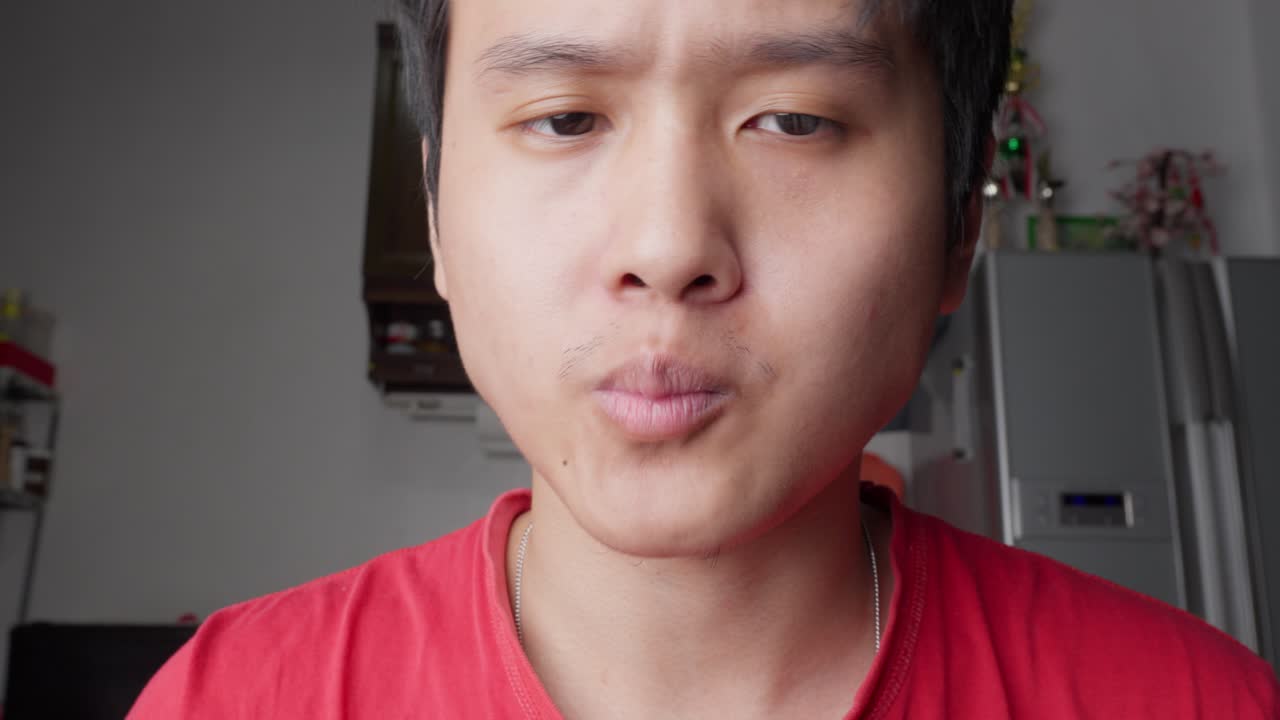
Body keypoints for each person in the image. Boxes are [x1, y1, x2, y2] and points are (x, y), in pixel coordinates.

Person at [130, 0, 1280, 717]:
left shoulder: (1193, 703)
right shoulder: (228, 702)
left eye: (794, 120)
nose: (667, 247)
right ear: (436, 218)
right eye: (565, 119)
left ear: (955, 228)